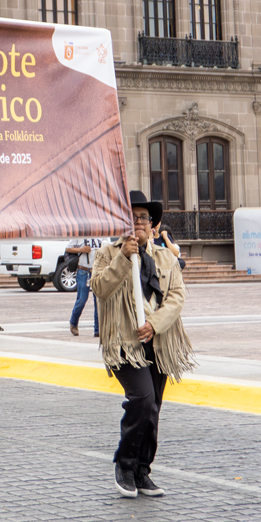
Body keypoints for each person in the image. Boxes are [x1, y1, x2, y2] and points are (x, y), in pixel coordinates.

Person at [90, 190, 196, 499]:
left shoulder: (166, 257)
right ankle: (124, 464)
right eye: (132, 217)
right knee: (142, 399)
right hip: (125, 343)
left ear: (152, 225)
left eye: (143, 218)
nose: (138, 223)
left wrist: (155, 323)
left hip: (159, 342)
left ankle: (142, 470)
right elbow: (100, 289)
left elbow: (177, 296)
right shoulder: (108, 254)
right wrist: (123, 258)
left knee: (153, 408)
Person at [67, 235, 104, 338]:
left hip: (97, 270)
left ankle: (98, 330)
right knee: (82, 300)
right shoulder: (80, 234)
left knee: (98, 301)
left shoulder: (101, 234)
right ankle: (73, 322)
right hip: (83, 270)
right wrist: (81, 249)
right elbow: (68, 248)